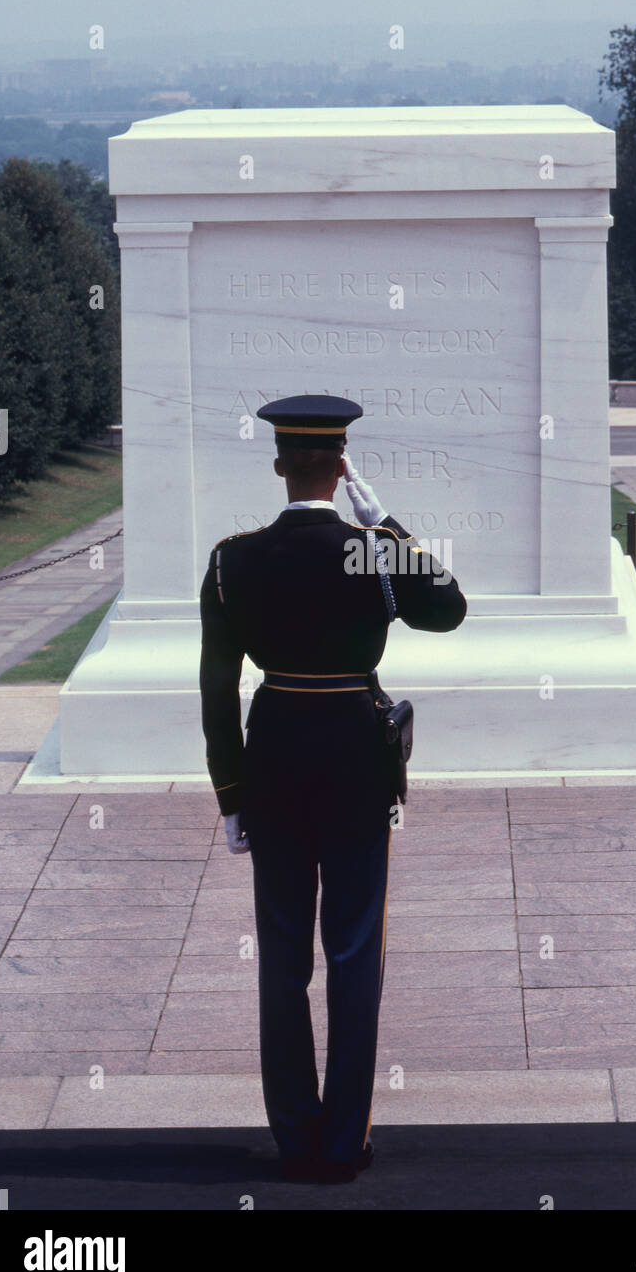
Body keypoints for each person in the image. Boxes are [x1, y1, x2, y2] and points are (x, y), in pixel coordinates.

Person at [198, 394, 467, 1184]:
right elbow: (448, 610)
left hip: (275, 754)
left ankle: (294, 1137)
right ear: (342, 466)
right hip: (356, 756)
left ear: (280, 464)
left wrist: (230, 794)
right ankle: (344, 1143)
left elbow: (217, 688)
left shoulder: (233, 558)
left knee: (282, 958)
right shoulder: (369, 550)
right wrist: (387, 525)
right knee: (354, 954)